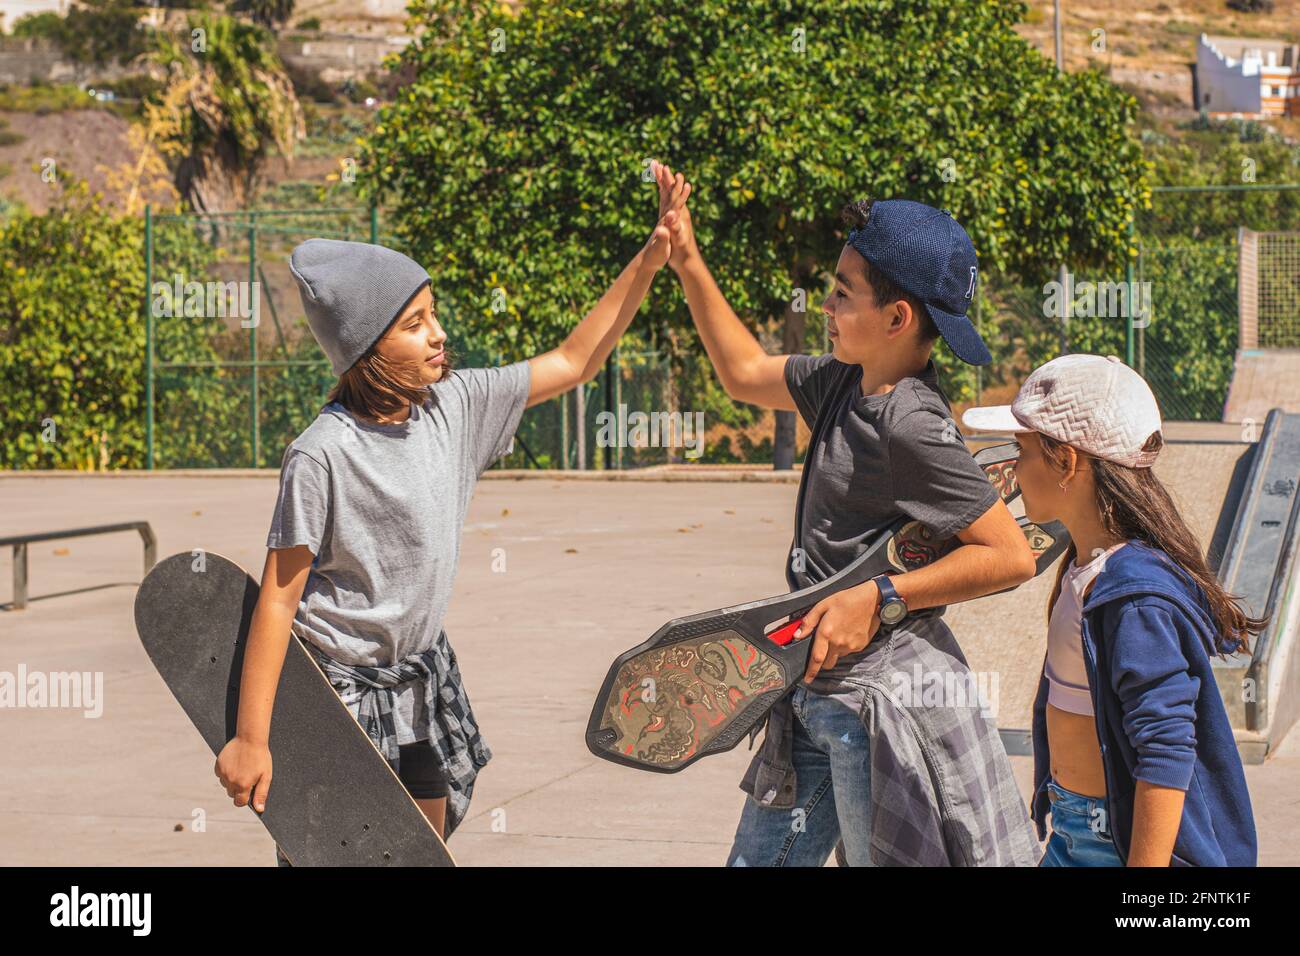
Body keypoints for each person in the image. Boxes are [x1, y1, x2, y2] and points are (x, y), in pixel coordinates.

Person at [214, 179, 690, 865]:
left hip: (421, 682)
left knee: (422, 854)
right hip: (337, 703)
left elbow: (574, 360)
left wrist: (648, 260)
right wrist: (251, 738)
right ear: (366, 348)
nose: (438, 334)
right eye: (414, 324)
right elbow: (279, 600)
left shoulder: (454, 407)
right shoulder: (321, 455)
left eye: (432, 314)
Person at [652, 161, 1041, 866]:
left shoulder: (911, 423)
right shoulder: (842, 382)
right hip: (809, 685)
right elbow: (742, 372)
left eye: (841, 293)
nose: (825, 307)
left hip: (871, 705)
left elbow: (1009, 555)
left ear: (896, 318)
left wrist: (882, 595)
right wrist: (687, 260)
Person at [962, 354, 1260, 866]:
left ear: (1066, 462)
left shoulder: (1134, 597)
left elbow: (1165, 749)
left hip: (1114, 847)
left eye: (1021, 450)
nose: (1012, 468)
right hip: (1073, 830)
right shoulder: (1087, 566)